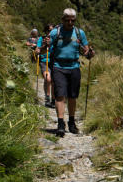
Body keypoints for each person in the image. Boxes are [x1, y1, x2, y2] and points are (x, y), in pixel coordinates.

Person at [46, 8, 94, 136]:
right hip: (58, 66)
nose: (70, 23)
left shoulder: (79, 33)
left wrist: (89, 53)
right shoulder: (56, 32)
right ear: (63, 20)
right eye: (68, 20)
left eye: (73, 20)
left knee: (72, 96)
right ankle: (61, 124)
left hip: (74, 66)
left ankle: (71, 122)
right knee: (60, 95)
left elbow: (86, 50)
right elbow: (48, 49)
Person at [36, 24, 54, 107]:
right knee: (48, 78)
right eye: (49, 30)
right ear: (46, 31)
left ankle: (53, 99)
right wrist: (44, 45)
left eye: (52, 30)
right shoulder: (41, 39)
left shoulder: (56, 39)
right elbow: (37, 51)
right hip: (44, 61)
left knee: (54, 81)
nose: (50, 32)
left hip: (54, 61)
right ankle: (47, 98)